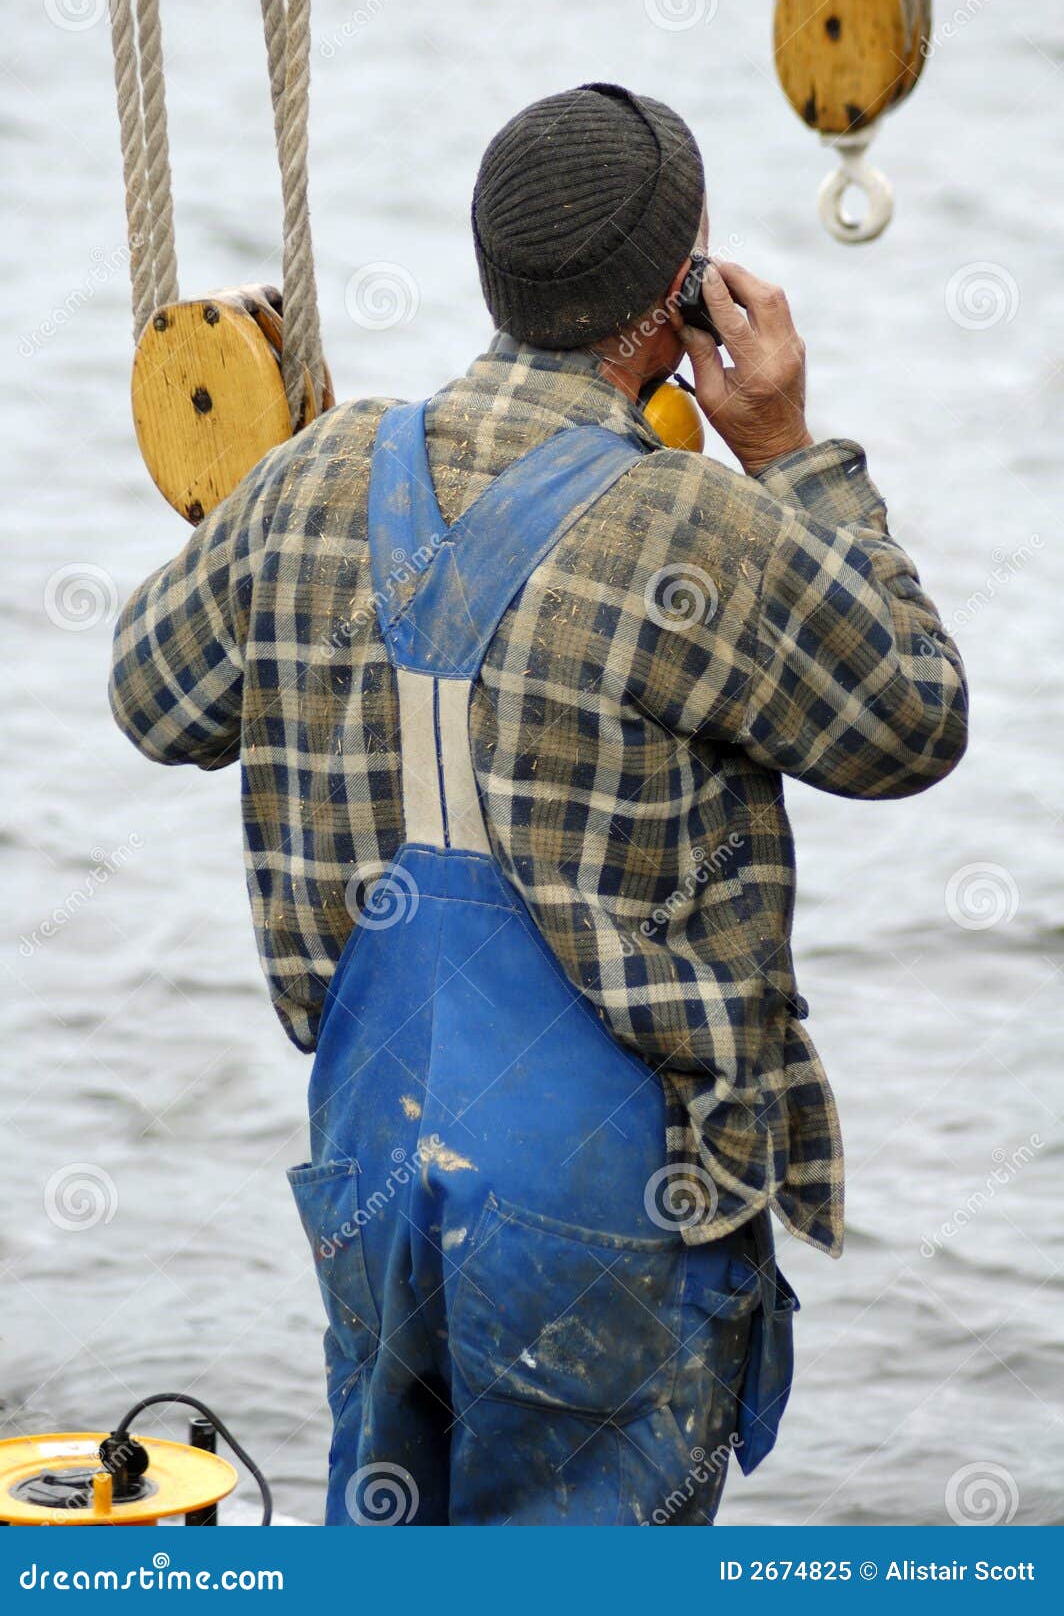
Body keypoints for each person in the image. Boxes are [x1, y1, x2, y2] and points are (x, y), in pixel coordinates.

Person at [109, 83, 968, 1526]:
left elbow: (153, 696)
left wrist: (271, 494)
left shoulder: (314, 475)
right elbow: (912, 717)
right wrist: (791, 453)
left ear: (491, 264)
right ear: (680, 289)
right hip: (604, 1200)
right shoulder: (703, 522)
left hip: (377, 1165)